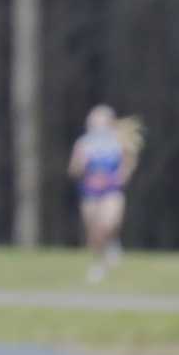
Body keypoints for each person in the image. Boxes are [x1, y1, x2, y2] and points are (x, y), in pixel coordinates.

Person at [66, 105, 142, 282]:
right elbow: (74, 170)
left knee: (109, 223)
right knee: (94, 232)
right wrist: (81, 167)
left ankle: (113, 243)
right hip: (90, 191)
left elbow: (128, 163)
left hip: (111, 191)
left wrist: (120, 176)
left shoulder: (118, 141)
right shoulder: (84, 143)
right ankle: (98, 263)